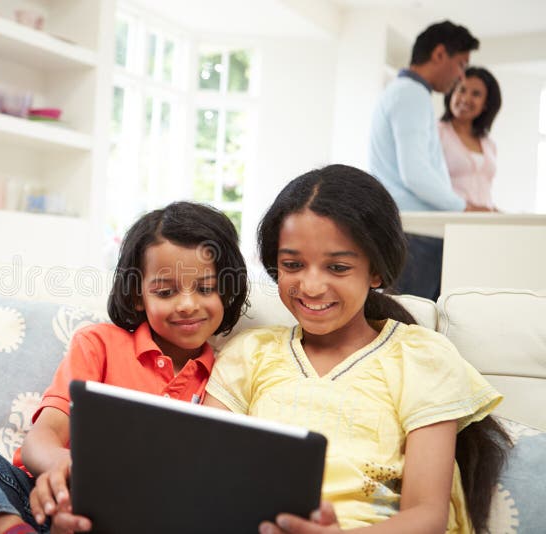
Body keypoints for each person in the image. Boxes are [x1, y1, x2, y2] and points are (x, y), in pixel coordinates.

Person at [0, 201, 249, 534]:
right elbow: (40, 439)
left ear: (227, 291)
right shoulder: (99, 344)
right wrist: (66, 472)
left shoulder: (226, 377)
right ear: (136, 296)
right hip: (34, 502)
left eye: (205, 288)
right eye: (165, 292)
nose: (186, 305)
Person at [204, 165, 509, 533]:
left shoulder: (419, 357)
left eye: (337, 266)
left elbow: (427, 516)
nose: (312, 286)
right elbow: (204, 474)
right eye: (293, 265)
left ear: (375, 272)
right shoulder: (249, 353)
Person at [368, 20, 490, 301]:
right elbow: (416, 173)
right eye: (460, 64)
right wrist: (465, 207)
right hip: (416, 233)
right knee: (411, 324)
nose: (461, 76)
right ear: (438, 54)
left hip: (412, 230)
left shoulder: (405, 92)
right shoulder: (411, 95)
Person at [439, 66, 502, 210]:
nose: (466, 99)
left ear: (486, 104)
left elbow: (484, 187)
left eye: (476, 94)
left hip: (482, 222)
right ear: (451, 92)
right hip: (451, 219)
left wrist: (493, 211)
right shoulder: (436, 133)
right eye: (461, 90)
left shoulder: (489, 144)